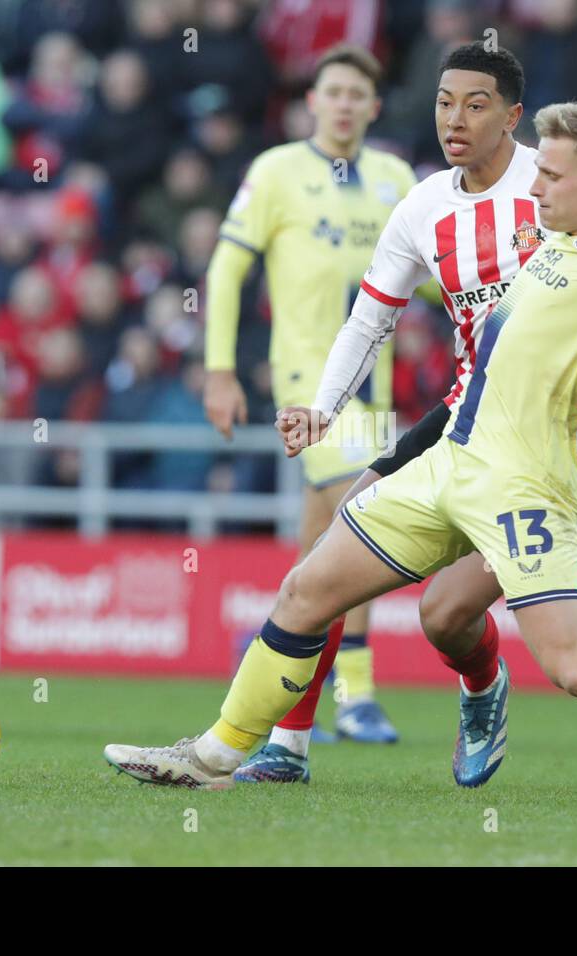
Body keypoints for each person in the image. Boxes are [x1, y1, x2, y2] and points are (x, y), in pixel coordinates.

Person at [104, 92, 577, 810]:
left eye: (549, 175)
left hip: (523, 487)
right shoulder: (559, 230)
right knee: (307, 589)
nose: (534, 187)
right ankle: (213, 755)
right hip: (448, 459)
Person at [237, 42, 577, 786]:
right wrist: (322, 410)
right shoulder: (423, 208)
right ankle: (287, 747)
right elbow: (369, 321)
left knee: (445, 617)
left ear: (513, 116)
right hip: (463, 412)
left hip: (555, 438)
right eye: (443, 102)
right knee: (328, 557)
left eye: (475, 103)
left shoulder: (564, 183)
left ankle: (483, 688)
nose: (454, 119)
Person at [203, 44, 418, 743]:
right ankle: (355, 692)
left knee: (317, 553)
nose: (346, 103)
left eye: (359, 93)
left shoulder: (394, 178)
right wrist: (219, 369)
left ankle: (271, 692)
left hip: (374, 388)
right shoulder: (275, 172)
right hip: (309, 383)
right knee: (364, 524)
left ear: (374, 107)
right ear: (313, 102)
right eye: (334, 91)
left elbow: (437, 276)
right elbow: (228, 268)